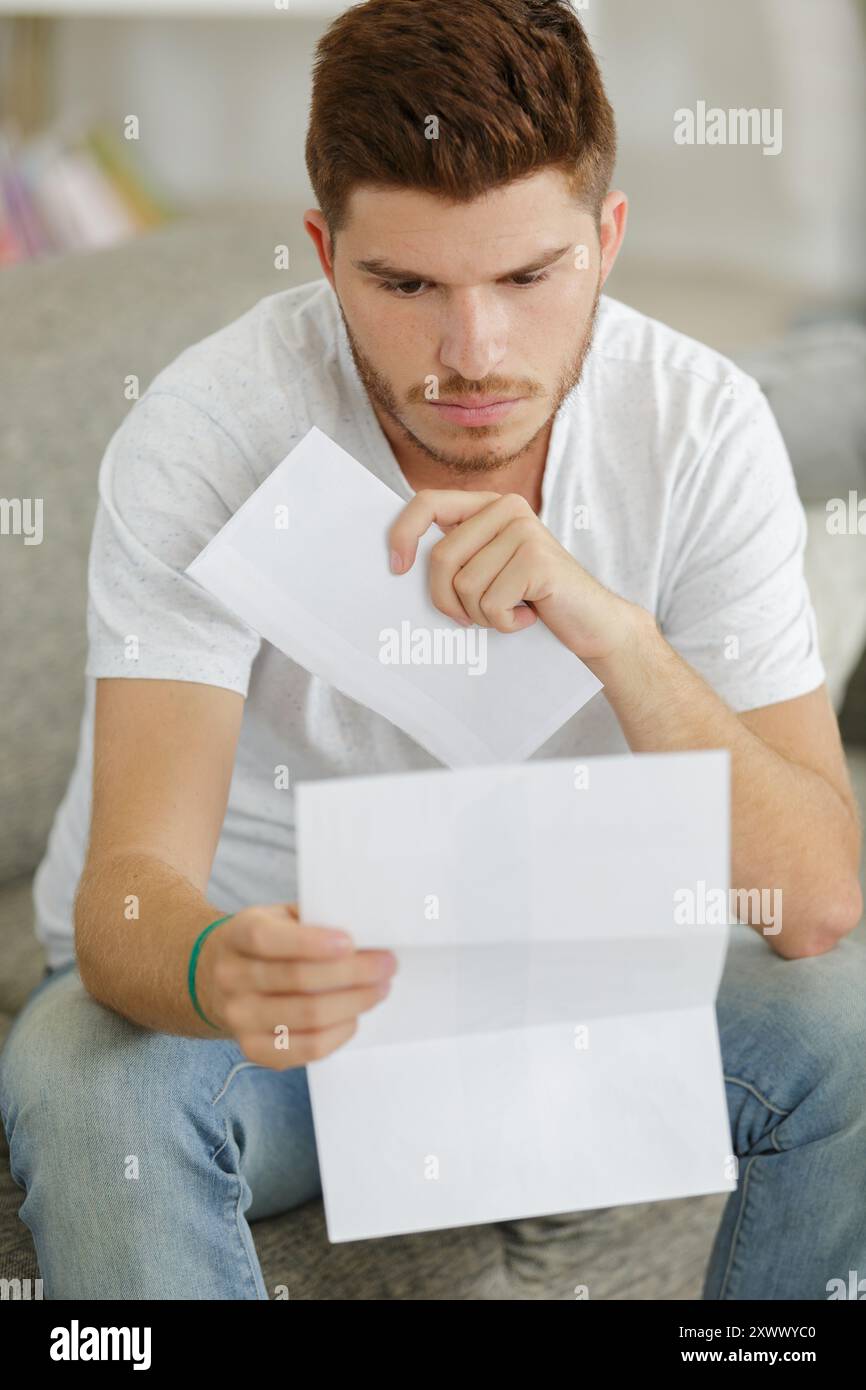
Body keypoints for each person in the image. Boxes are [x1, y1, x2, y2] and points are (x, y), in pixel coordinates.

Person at [1, 0, 863, 1301]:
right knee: (76, 1075)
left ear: (607, 237)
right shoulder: (205, 436)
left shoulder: (697, 426)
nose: (473, 354)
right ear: (322, 252)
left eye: (527, 277)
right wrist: (208, 961)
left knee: (847, 1030)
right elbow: (124, 894)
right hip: (277, 1017)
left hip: (566, 968)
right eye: (404, 285)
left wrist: (617, 638)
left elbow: (813, 904)